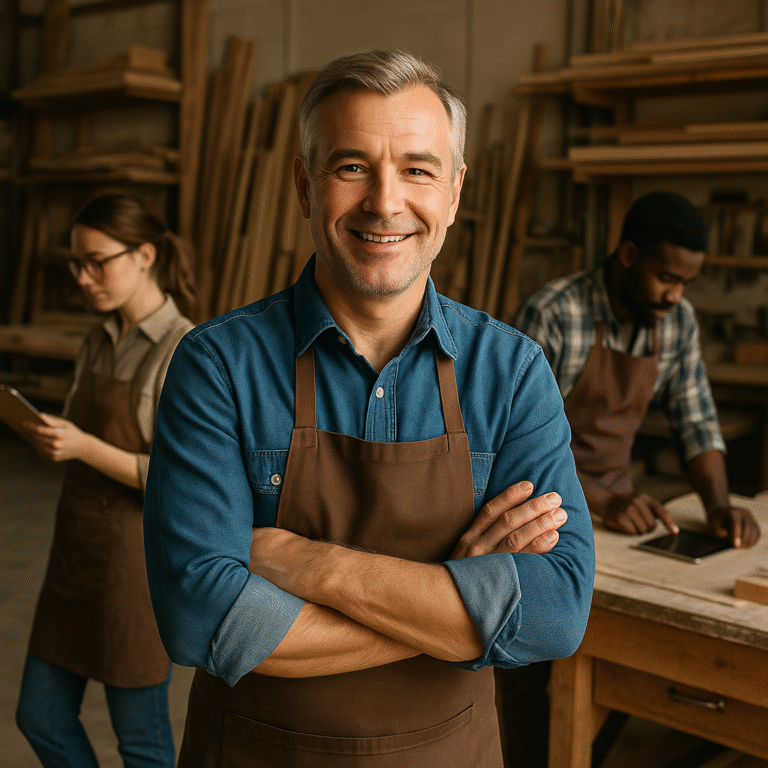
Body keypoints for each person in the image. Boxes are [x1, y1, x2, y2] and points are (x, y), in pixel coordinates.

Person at [143, 49, 595, 768]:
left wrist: (309, 565)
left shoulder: (510, 372)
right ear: (304, 185)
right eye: (351, 166)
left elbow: (556, 612)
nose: (385, 202)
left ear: (453, 192)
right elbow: (200, 621)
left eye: (417, 168)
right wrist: (463, 592)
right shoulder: (217, 366)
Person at [16, 191, 197, 768]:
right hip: (75, 556)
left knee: (142, 744)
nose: (84, 277)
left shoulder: (185, 350)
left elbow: (179, 480)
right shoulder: (96, 338)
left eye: (99, 261)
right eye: (77, 264)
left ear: (145, 255)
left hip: (135, 568)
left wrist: (85, 446)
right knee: (39, 715)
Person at [515, 190, 760, 548]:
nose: (674, 296)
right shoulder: (554, 315)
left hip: (618, 509)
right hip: (542, 509)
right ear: (629, 255)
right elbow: (521, 444)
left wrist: (720, 506)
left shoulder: (677, 320)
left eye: (684, 284)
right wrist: (604, 502)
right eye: (665, 278)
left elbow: (697, 424)